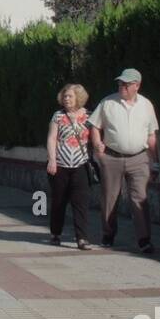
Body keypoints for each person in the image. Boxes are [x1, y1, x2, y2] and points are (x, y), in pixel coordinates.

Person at [89, 68, 160, 254]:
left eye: (126, 84)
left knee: (140, 199)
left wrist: (155, 161)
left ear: (137, 85)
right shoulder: (108, 102)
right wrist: (97, 144)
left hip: (139, 158)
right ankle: (108, 234)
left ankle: (144, 240)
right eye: (120, 83)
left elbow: (152, 135)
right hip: (112, 157)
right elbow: (95, 126)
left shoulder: (146, 105)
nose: (122, 87)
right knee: (110, 198)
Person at [46, 84, 93, 250]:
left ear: (78, 98)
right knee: (59, 201)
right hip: (60, 165)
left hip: (80, 164)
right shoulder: (58, 116)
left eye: (70, 96)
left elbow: (94, 139)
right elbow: (52, 138)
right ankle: (55, 233)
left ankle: (82, 238)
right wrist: (52, 160)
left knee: (80, 202)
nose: (66, 99)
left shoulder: (89, 116)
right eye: (65, 96)